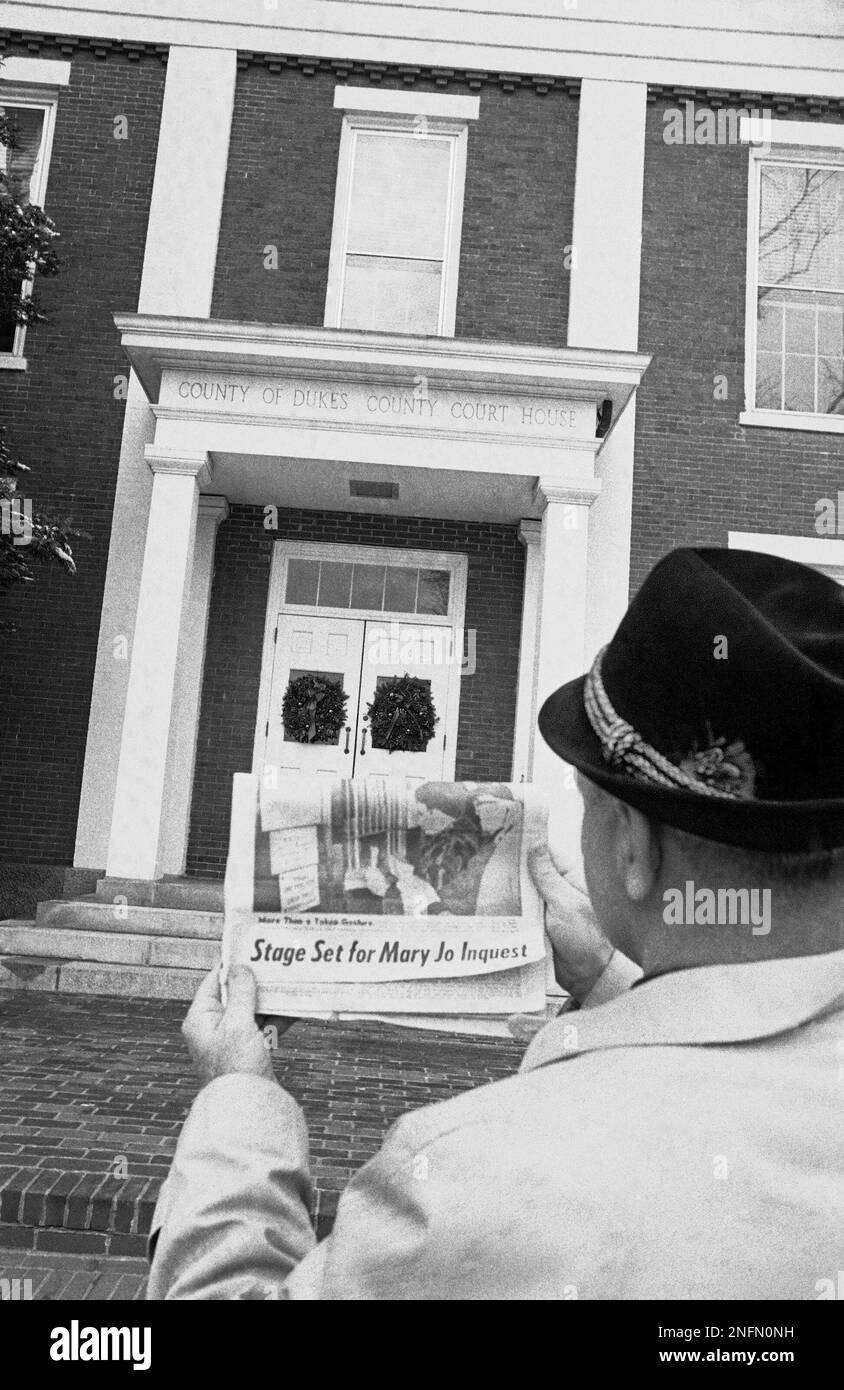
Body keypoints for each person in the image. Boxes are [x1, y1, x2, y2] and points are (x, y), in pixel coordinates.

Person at [147, 547, 844, 1300]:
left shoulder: (471, 1180)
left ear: (635, 850)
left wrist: (238, 1096)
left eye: (587, 801)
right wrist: (611, 980)